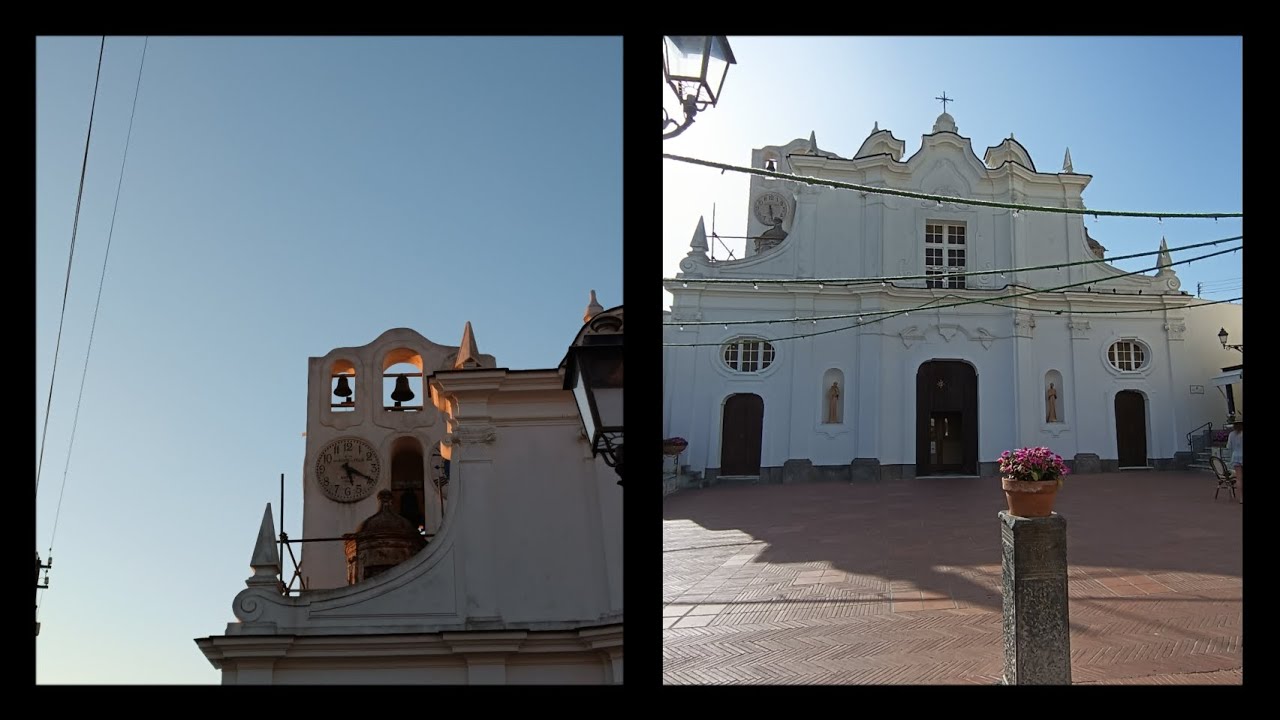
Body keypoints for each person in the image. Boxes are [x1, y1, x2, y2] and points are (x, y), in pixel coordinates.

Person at [1226, 419, 1243, 504]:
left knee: (1239, 478)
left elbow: (1229, 446)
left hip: (1236, 456)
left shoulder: (1231, 434)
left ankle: (1241, 498)